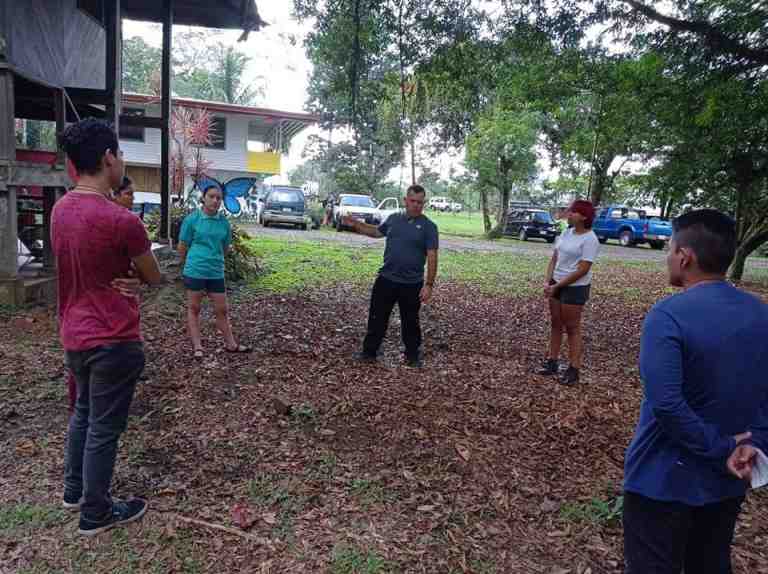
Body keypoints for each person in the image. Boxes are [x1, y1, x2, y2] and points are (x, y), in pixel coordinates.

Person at [623, 209, 768, 574]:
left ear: (684, 256)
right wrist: (756, 443)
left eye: (669, 249)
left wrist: (720, 447)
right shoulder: (760, 315)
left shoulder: (668, 315)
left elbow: (667, 404)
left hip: (661, 479)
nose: (667, 257)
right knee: (710, 561)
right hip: (728, 481)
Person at [54, 118, 163, 536]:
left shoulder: (60, 210)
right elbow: (153, 276)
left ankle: (73, 491)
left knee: (83, 412)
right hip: (113, 337)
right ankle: (95, 512)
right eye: (120, 155)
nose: (122, 163)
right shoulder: (122, 221)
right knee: (104, 426)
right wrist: (137, 277)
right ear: (108, 158)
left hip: (74, 334)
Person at [343, 184, 438, 368]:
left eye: (420, 202)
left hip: (411, 283)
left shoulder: (429, 227)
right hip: (386, 279)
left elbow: (433, 256)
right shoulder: (394, 219)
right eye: (412, 201)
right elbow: (376, 232)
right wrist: (356, 224)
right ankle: (369, 352)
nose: (416, 205)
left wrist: (429, 284)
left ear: (423, 203)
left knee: (411, 321)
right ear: (405, 201)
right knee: (377, 317)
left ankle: (412, 355)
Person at [177, 185, 249, 358]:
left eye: (219, 198)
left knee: (222, 309)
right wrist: (187, 265)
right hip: (195, 270)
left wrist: (215, 260)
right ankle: (197, 347)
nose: (215, 200)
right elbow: (182, 246)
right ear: (203, 197)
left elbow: (224, 248)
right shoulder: (192, 220)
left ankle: (231, 344)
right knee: (194, 308)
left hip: (216, 271)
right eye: (211, 196)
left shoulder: (224, 223)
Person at [538, 200, 599, 385]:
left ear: (584, 217)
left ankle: (574, 369)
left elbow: (583, 269)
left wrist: (558, 285)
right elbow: (554, 258)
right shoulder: (566, 232)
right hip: (556, 283)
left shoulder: (590, 239)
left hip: (575, 287)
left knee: (572, 328)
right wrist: (548, 281)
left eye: (573, 212)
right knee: (555, 323)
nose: (569, 214)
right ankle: (552, 362)